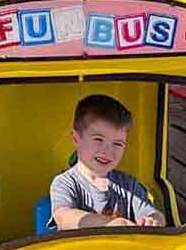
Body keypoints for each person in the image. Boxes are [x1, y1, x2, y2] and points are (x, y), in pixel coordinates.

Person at [50, 94, 167, 230]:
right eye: (98, 140)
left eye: (117, 144)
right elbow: (63, 217)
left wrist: (153, 221)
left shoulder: (129, 184)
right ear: (76, 139)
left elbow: (154, 214)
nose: (108, 151)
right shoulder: (65, 183)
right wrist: (110, 224)